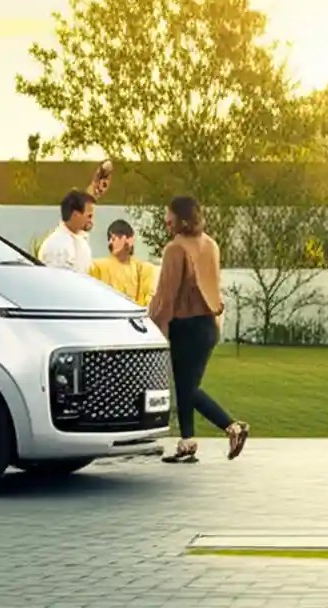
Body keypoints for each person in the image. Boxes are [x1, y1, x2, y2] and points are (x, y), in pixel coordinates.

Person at [147, 196, 249, 463]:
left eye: (168, 215)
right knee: (186, 386)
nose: (165, 220)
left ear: (179, 219)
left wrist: (154, 326)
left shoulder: (175, 249)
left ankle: (232, 427)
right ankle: (187, 443)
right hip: (207, 326)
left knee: (186, 389)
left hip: (185, 326)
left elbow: (166, 297)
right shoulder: (211, 245)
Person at [37, 160, 112, 273]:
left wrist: (95, 188)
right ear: (76, 215)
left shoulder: (77, 238)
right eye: (89, 216)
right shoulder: (59, 247)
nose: (91, 221)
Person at [89, 219, 158, 306]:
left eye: (115, 238)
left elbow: (149, 301)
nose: (110, 242)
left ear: (129, 239)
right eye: (109, 238)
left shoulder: (144, 269)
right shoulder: (97, 267)